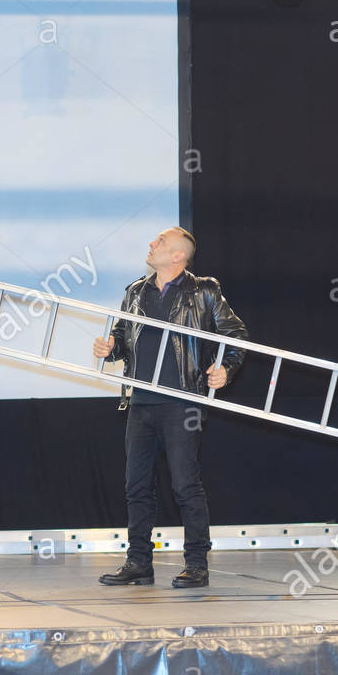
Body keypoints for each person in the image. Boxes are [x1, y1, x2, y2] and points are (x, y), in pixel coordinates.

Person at [91, 227, 247, 589]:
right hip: (141, 402)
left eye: (160, 241)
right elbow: (123, 336)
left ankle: (197, 564)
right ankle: (138, 563)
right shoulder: (136, 291)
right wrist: (110, 347)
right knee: (136, 485)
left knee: (185, 485)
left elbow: (236, 335)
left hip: (182, 403)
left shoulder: (204, 291)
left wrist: (226, 369)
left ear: (178, 255)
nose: (151, 244)